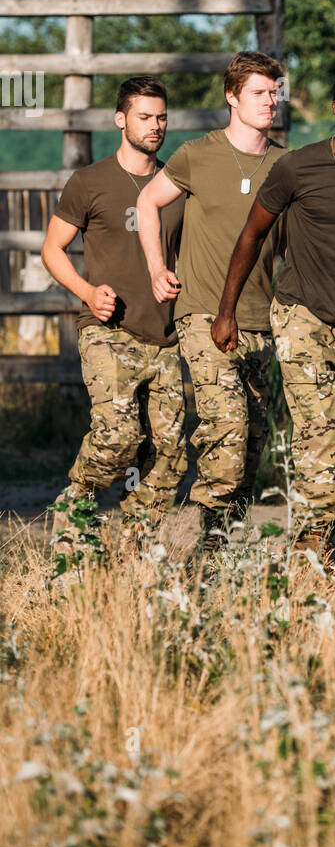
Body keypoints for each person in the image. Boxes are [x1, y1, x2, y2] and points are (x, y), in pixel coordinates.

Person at [210, 69, 335, 567]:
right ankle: (307, 562)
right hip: (300, 314)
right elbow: (252, 236)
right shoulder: (298, 168)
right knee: (318, 437)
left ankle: (314, 540)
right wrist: (226, 310)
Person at [137, 51, 285, 569]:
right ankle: (190, 565)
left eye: (274, 92)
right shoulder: (196, 155)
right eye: (260, 93)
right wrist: (158, 267)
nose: (271, 101)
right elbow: (148, 202)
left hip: (262, 322)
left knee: (250, 456)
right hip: (202, 312)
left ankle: (215, 555)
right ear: (232, 97)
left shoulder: (283, 164)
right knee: (227, 436)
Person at [41, 77, 186, 557]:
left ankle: (130, 551)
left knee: (168, 455)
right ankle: (74, 508)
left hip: (165, 336)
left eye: (161, 117)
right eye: (145, 117)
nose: (155, 126)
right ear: (121, 120)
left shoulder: (176, 184)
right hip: (109, 332)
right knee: (118, 435)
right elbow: (52, 249)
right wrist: (87, 291)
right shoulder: (89, 182)